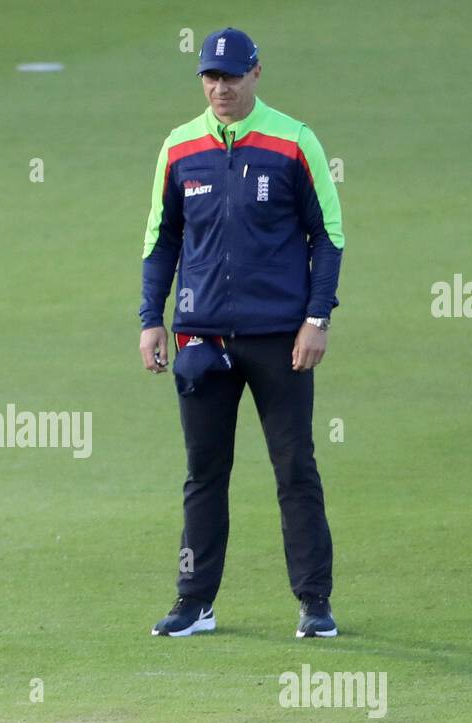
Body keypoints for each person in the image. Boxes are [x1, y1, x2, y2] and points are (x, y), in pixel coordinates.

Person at [137, 27, 344, 639]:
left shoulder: (294, 141)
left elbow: (327, 235)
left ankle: (314, 602)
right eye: (210, 77)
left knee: (294, 468)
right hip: (201, 337)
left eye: (230, 76)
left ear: (256, 73)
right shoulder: (178, 148)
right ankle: (194, 602)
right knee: (204, 473)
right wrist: (152, 319)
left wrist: (317, 317)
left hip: (281, 338)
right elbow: (161, 239)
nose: (219, 88)